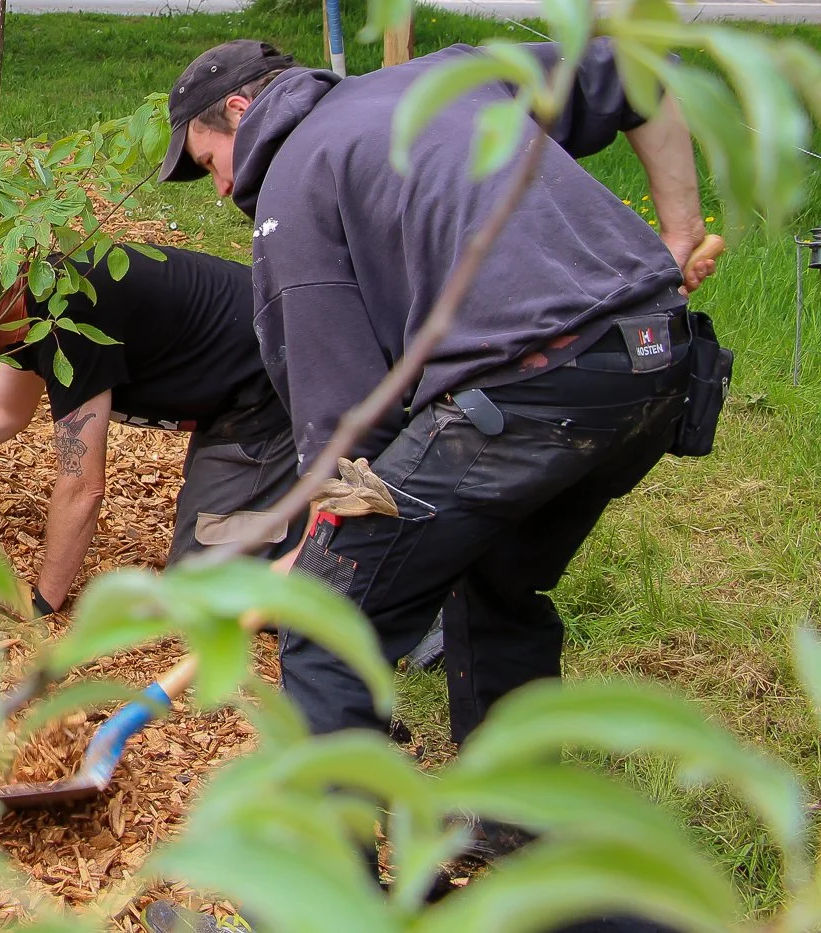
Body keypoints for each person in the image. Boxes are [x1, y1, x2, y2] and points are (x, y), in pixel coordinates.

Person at [159, 38, 722, 745]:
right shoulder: (446, 77)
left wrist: (329, 538)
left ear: (242, 109)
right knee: (494, 582)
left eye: (209, 161)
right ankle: (511, 827)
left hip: (529, 386)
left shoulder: (292, 182)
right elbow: (638, 70)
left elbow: (343, 409)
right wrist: (681, 231)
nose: (218, 188)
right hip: (657, 361)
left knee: (328, 624)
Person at [0, 244, 304, 613]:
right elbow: (3, 414)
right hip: (224, 391)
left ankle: (328, 563)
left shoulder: (72, 323)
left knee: (203, 590)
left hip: (271, 382)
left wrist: (41, 600)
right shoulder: (25, 310)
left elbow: (83, 486)